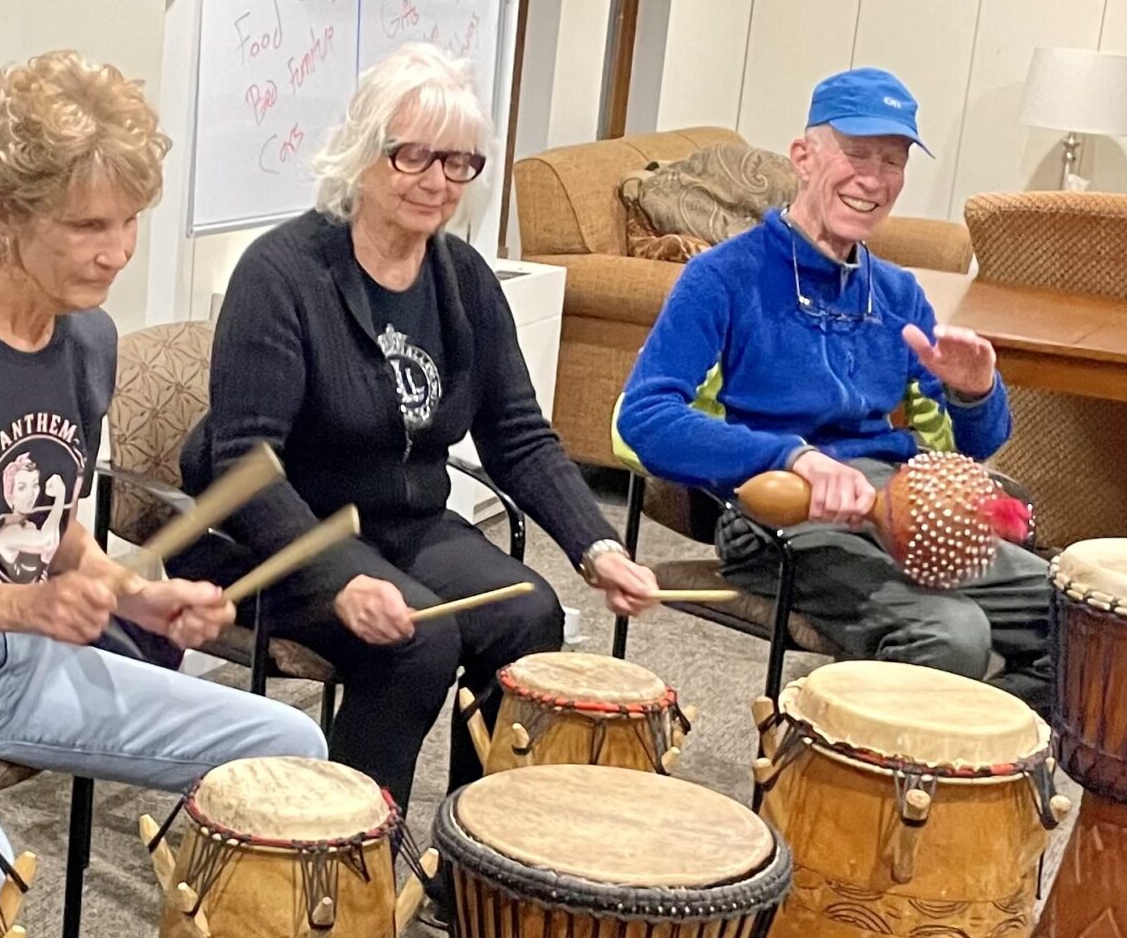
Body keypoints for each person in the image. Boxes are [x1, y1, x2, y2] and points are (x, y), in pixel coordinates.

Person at [0, 51, 325, 872]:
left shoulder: (88, 337)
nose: (117, 252)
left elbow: (48, 527)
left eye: (128, 222)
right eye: (87, 226)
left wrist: (141, 598)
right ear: (7, 213)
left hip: (19, 658)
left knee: (288, 746)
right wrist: (25, 609)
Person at [177, 41, 659, 827]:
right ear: (364, 152)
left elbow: (518, 434)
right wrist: (338, 579)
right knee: (416, 647)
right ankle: (341, 857)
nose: (437, 182)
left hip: (400, 524)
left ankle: (473, 845)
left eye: (459, 163)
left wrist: (595, 546)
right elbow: (245, 462)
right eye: (413, 157)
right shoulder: (283, 273)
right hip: (278, 534)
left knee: (530, 615)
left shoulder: (461, 277)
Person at [616, 67, 1051, 709]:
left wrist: (975, 391)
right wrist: (792, 456)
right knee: (954, 634)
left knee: (1074, 614)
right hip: (780, 516)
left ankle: (967, 759)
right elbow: (644, 419)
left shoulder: (898, 293)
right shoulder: (724, 277)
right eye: (855, 154)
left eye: (893, 162)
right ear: (804, 156)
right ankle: (850, 785)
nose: (873, 180)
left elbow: (979, 444)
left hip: (902, 509)